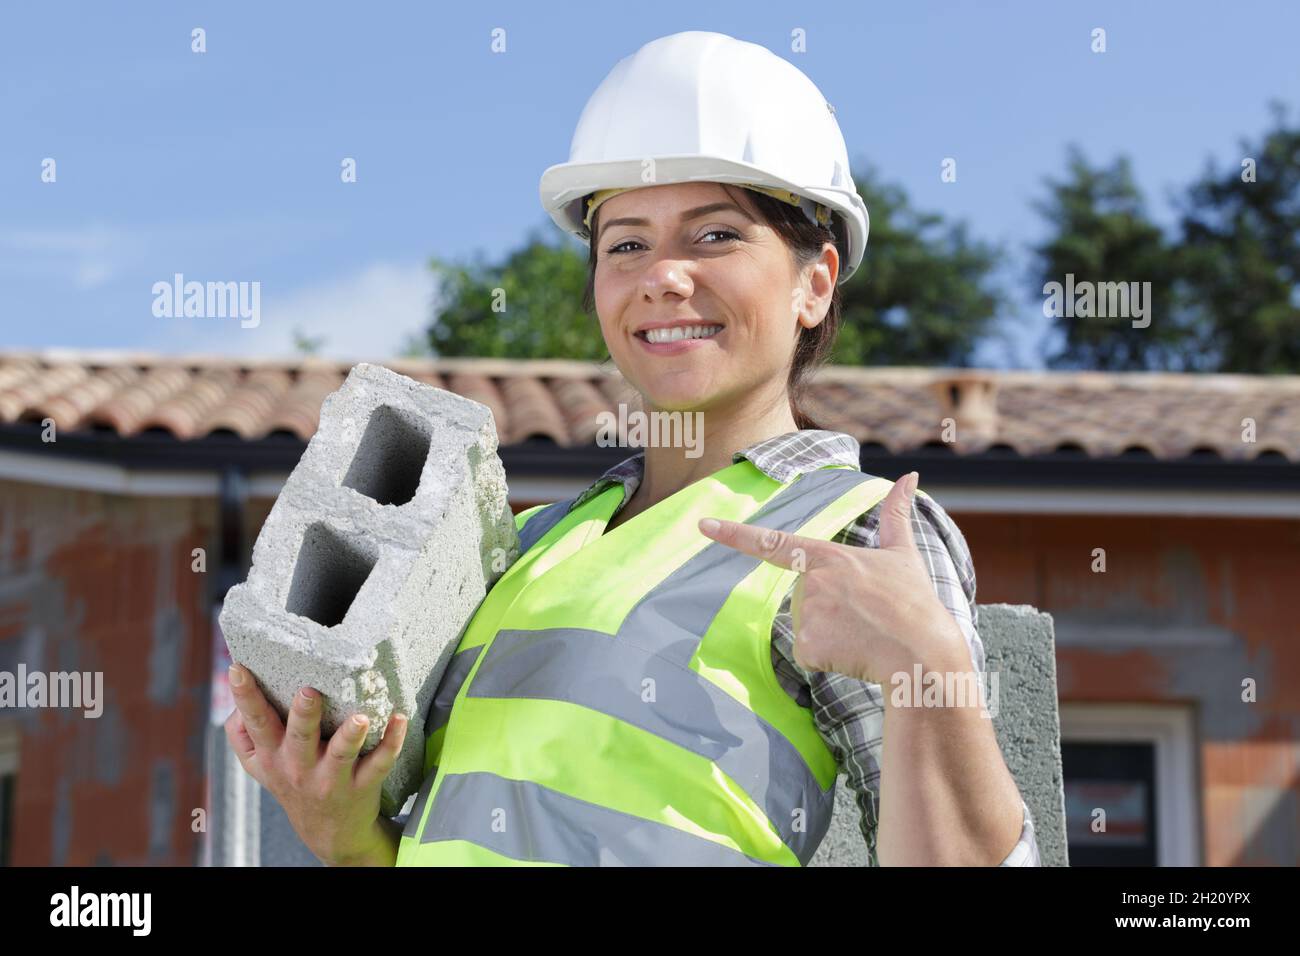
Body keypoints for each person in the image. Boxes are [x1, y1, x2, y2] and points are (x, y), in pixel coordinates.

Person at [224, 30, 1040, 867]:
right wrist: (351, 841)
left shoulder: (857, 536)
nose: (664, 276)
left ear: (815, 282)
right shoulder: (531, 544)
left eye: (716, 235)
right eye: (625, 244)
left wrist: (926, 663)